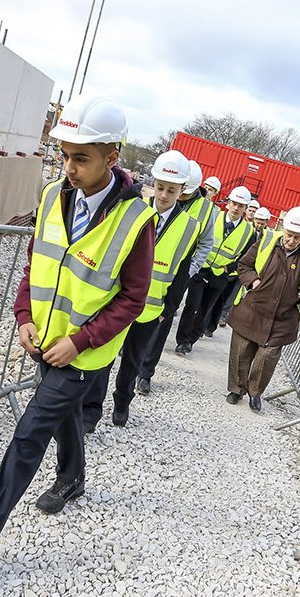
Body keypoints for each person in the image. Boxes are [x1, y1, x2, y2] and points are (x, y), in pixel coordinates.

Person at [0, 95, 157, 589]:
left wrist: (81, 341)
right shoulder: (55, 195)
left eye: (81, 157)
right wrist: (22, 315)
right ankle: (73, 478)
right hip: (44, 340)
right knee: (62, 417)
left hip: (83, 353)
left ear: (111, 158)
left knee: (30, 432)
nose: (69, 167)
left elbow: (133, 299)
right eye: (64, 155)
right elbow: (37, 263)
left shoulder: (137, 220)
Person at [83, 151, 196, 428]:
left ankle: (122, 402)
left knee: (132, 361)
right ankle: (90, 411)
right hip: (119, 302)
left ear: (183, 191)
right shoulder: (134, 210)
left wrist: (168, 309)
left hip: (151, 310)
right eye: (160, 188)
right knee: (104, 358)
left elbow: (181, 274)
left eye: (171, 190)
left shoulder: (189, 227)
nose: (164, 195)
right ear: (152, 184)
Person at [226, 206, 300, 413]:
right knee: (241, 351)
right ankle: (236, 388)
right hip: (252, 308)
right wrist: (253, 282)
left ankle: (255, 393)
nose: (291, 240)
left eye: (297, 237)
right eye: (289, 235)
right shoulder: (267, 241)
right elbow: (244, 265)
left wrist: (298, 295)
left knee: (267, 357)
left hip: (283, 316)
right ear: (283, 229)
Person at [136, 160, 216, 395]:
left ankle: (146, 373)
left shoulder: (205, 210)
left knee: (162, 322)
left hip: (175, 278)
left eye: (180, 192)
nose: (173, 196)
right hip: (142, 272)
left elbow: (205, 244)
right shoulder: (152, 200)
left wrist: (189, 271)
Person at [175, 185, 255, 355]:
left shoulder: (249, 231)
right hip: (201, 270)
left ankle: (191, 340)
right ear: (228, 203)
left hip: (220, 275)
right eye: (234, 203)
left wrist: (229, 268)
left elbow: (247, 257)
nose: (236, 208)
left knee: (205, 308)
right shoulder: (214, 217)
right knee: (192, 305)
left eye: (241, 206)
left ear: (245, 209)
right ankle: (182, 340)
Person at [217, 207, 272, 329]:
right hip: (236, 266)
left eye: (262, 223)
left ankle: (223, 316)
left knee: (234, 294)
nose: (259, 225)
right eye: (258, 222)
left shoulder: (269, 237)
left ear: (267, 222)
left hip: (250, 271)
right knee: (222, 292)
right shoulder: (247, 230)